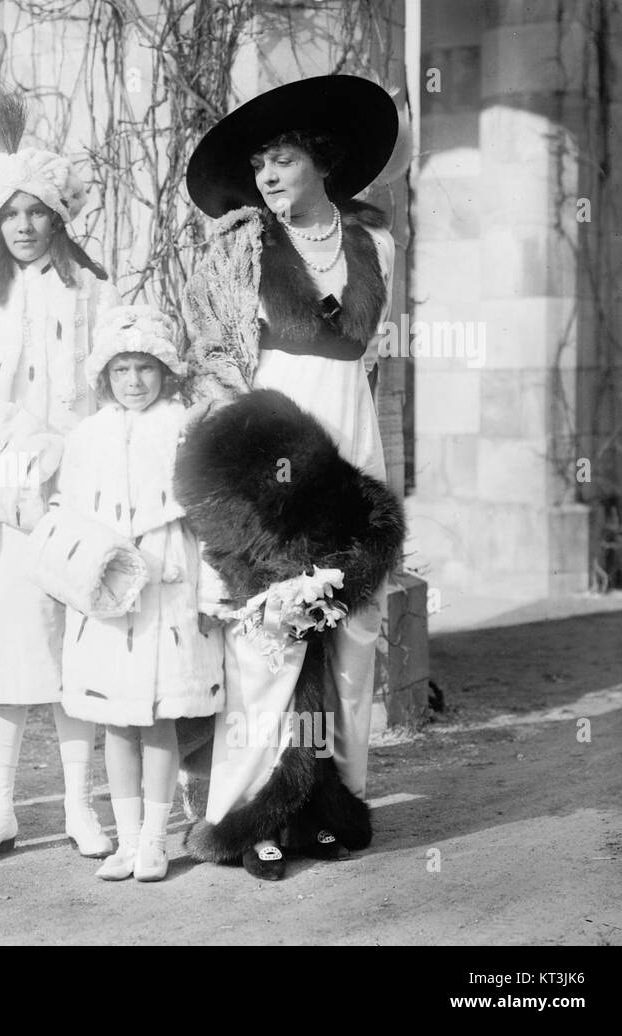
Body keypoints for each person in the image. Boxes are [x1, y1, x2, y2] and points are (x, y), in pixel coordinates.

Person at [179, 74, 399, 880]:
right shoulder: (240, 248)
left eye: (284, 159)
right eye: (260, 164)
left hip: (355, 458)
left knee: (351, 637)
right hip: (271, 458)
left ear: (321, 162)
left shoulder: (378, 245)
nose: (269, 177)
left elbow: (374, 367)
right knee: (268, 638)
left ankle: (331, 805)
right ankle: (245, 817)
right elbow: (214, 364)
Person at [0, 95, 121, 864]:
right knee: (6, 655)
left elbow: (121, 384)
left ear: (58, 218)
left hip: (74, 490)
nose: (23, 226)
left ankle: (80, 806)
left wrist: (74, 445)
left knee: (76, 646)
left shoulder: (93, 292)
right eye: (9, 213)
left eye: (36, 212)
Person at [44, 305, 225, 882]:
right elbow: (67, 517)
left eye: (145, 367)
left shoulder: (183, 428)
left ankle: (154, 840)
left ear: (163, 372)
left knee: (159, 720)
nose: (134, 381)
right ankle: (124, 841)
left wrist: (210, 595)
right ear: (105, 378)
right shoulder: (87, 436)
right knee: (115, 724)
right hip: (105, 593)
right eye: (122, 370)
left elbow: (207, 522)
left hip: (167, 593)